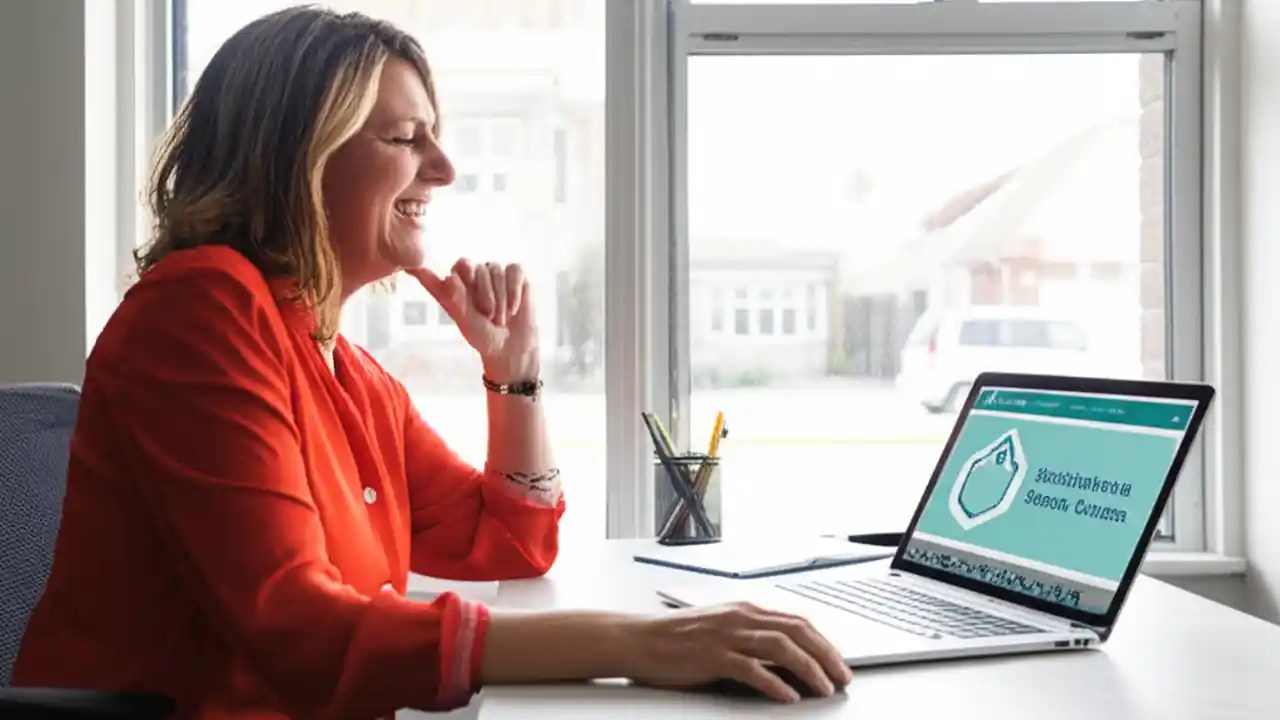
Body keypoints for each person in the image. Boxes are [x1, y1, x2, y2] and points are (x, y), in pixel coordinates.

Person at [12, 7, 851, 717]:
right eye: (409, 138)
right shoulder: (200, 310)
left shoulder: (349, 372)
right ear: (300, 153)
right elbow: (296, 627)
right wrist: (640, 641)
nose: (444, 170)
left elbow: (510, 544)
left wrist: (514, 377)